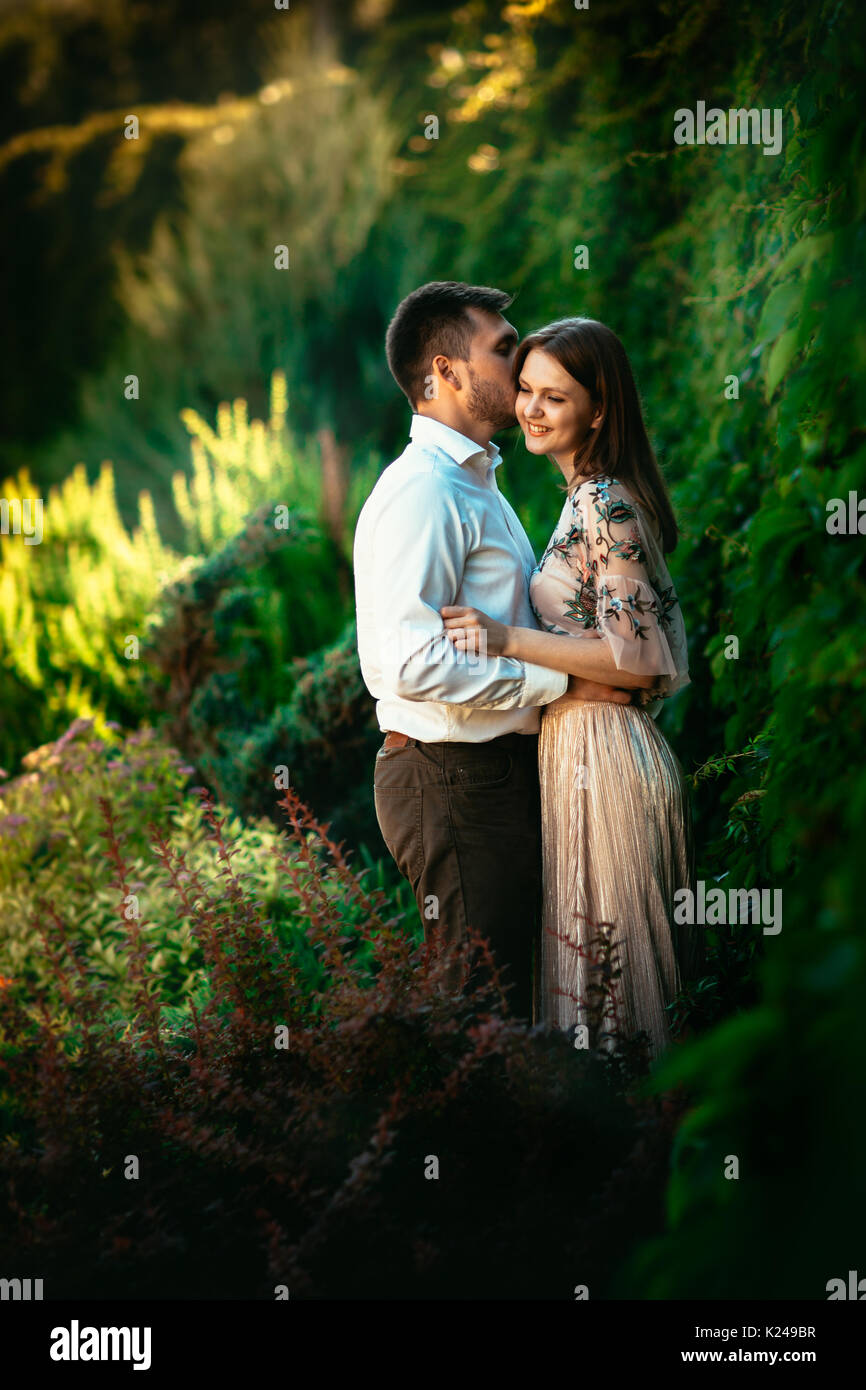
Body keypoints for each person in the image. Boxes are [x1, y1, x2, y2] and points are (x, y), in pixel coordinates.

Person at [353, 283, 635, 1023]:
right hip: (453, 781)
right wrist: (556, 685)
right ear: (445, 372)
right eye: (503, 349)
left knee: (517, 1006)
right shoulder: (423, 493)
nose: (522, 363)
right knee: (486, 1024)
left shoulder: (479, 483)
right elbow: (404, 662)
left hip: (490, 778)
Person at [442, 316, 703, 1058]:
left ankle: (653, 1159)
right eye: (524, 389)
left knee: (621, 1008)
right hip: (580, 755)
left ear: (600, 408)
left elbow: (640, 659)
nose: (529, 408)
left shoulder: (605, 502)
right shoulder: (584, 498)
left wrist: (505, 640)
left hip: (609, 761)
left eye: (554, 397)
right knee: (597, 997)